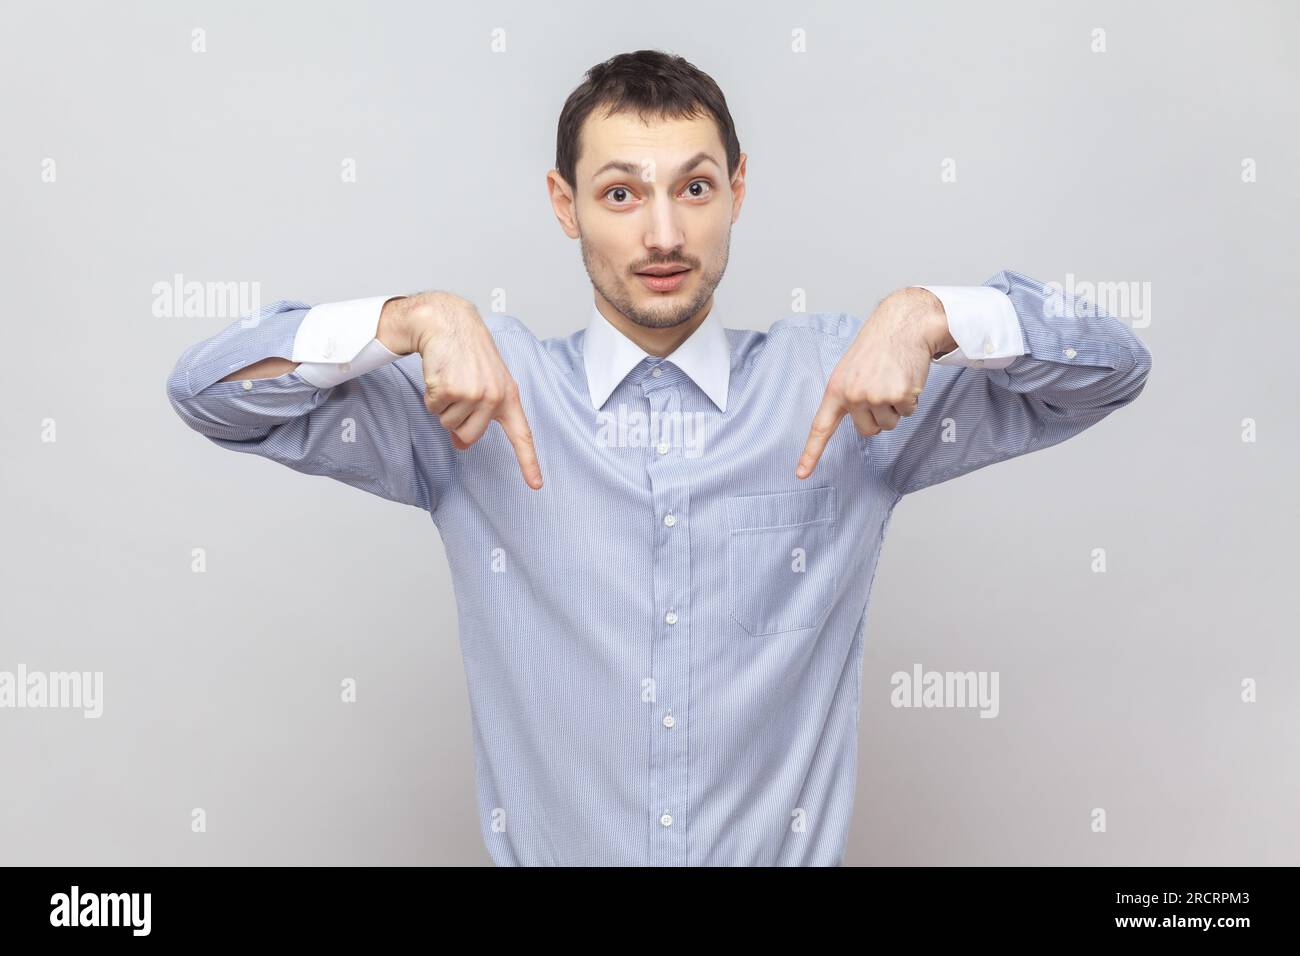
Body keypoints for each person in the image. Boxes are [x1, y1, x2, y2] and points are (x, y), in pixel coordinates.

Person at [165, 49, 1152, 866]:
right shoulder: (470, 404)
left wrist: (938, 312)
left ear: (737, 191)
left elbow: (1109, 370)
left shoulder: (848, 388)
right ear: (565, 204)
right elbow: (210, 392)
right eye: (620, 192)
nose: (663, 232)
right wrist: (406, 318)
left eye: (693, 186)